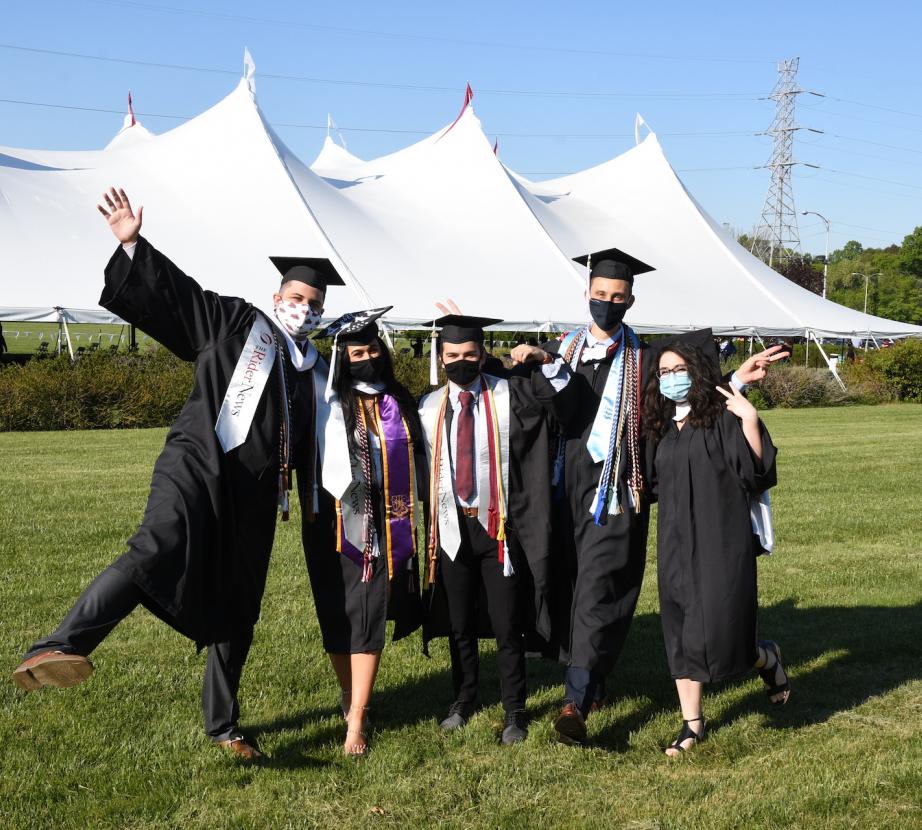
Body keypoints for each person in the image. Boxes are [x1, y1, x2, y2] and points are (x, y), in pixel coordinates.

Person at [11, 187, 340, 760]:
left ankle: (225, 727)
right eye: (296, 296)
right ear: (277, 295)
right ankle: (58, 645)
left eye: (313, 303)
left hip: (254, 498)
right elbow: (183, 298)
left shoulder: (310, 369)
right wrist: (134, 244)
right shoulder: (240, 323)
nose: (304, 308)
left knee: (240, 606)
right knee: (153, 548)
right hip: (198, 465)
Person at [514, 248, 790, 746]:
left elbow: (685, 390)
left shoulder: (643, 360)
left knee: (599, 588)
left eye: (616, 297)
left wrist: (736, 379)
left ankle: (575, 702)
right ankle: (591, 682)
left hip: (619, 489)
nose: (606, 303)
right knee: (571, 584)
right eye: (599, 295)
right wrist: (528, 364)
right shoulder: (565, 350)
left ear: (630, 300)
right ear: (587, 295)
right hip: (566, 488)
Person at [419, 314, 573, 745]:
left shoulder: (514, 395)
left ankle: (514, 709)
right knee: (460, 622)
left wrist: (545, 357)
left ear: (483, 354)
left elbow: (562, 397)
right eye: (452, 356)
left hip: (498, 528)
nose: (461, 362)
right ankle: (463, 698)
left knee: (508, 625)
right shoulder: (429, 407)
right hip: (452, 528)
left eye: (470, 354)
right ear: (441, 357)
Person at [643, 335, 790, 756]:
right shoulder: (661, 425)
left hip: (721, 539)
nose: (672, 378)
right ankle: (693, 724)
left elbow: (756, 473)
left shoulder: (722, 418)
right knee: (682, 630)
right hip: (674, 541)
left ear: (697, 372)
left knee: (725, 632)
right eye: (665, 372)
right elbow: (652, 482)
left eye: (680, 370)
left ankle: (765, 657)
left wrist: (749, 419)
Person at [310, 308, 424, 756]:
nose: (368, 357)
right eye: (358, 352)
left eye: (373, 349)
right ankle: (347, 695)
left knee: (367, 613)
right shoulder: (327, 401)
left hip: (379, 525)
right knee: (336, 615)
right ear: (343, 357)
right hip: (332, 522)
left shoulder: (399, 400)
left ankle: (357, 716)